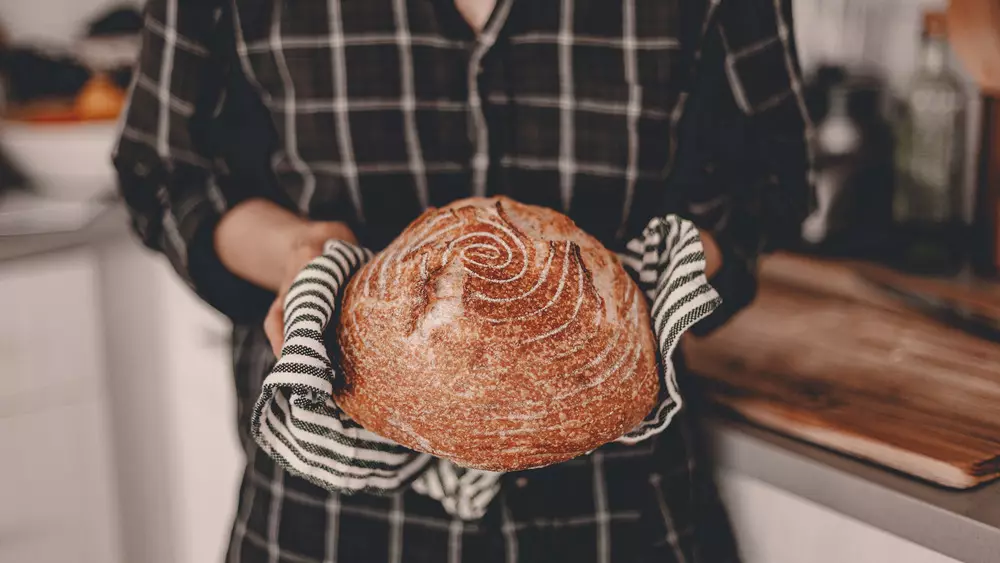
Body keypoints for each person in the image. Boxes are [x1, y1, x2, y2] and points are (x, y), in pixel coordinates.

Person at [113, 0, 813, 561]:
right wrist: (303, 256)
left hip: (619, 515)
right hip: (327, 525)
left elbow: (771, 182)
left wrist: (638, 297)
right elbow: (166, 172)